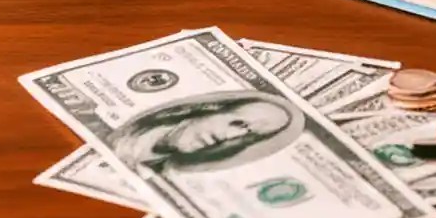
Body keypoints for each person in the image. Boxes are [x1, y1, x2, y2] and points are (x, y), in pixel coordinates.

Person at [109, 91, 304, 172]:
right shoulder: (117, 132)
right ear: (209, 109)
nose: (232, 137)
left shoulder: (156, 172)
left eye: (249, 137)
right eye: (239, 123)